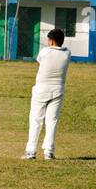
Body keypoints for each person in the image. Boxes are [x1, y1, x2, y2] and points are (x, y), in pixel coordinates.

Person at [24, 27, 70, 160]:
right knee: (52, 121)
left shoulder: (45, 51)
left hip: (41, 89)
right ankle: (49, 151)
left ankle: (31, 151)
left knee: (36, 120)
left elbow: (39, 60)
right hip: (58, 90)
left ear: (51, 41)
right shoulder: (67, 53)